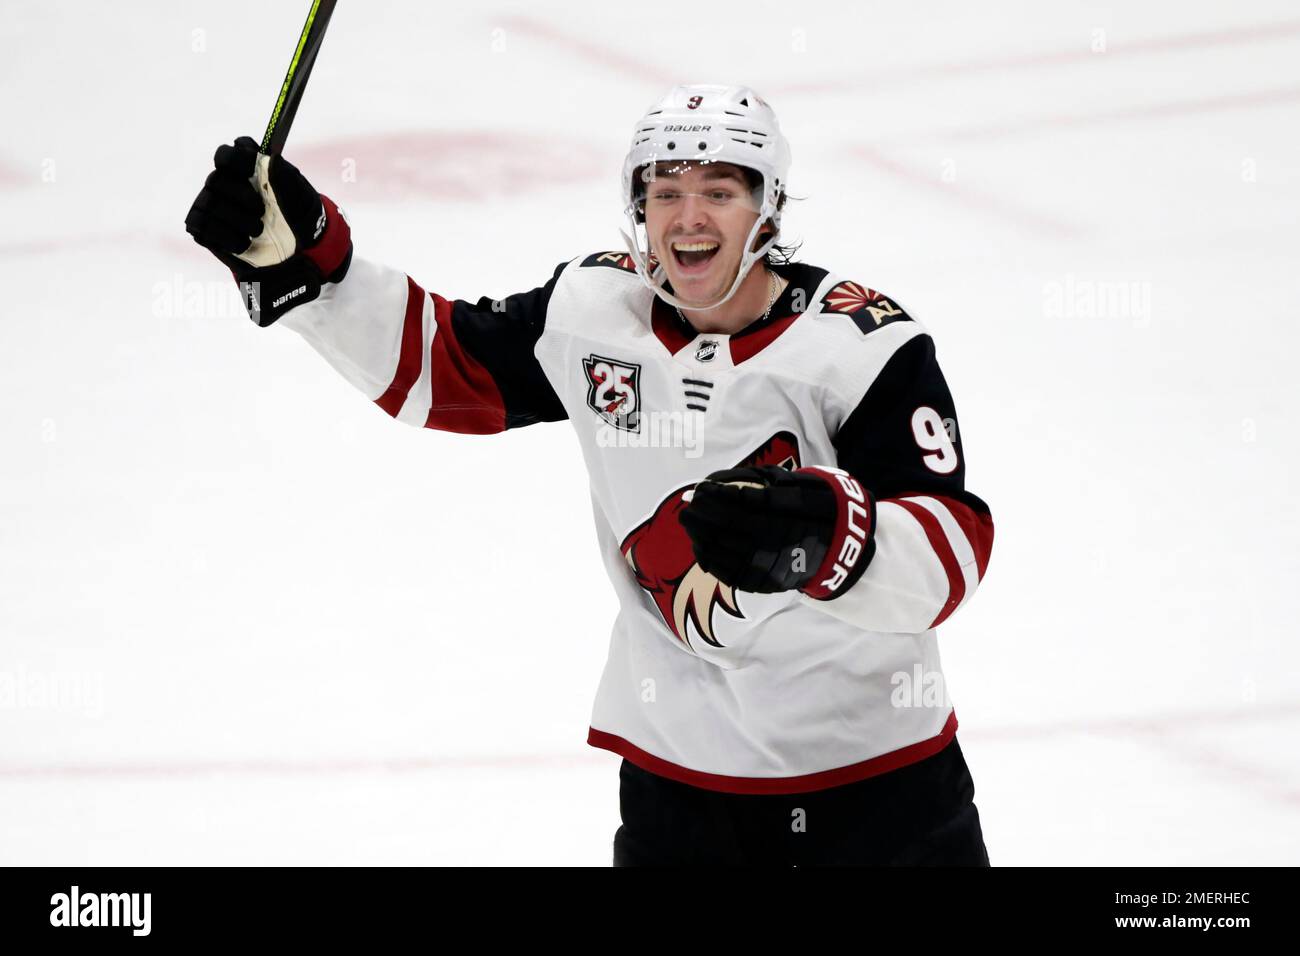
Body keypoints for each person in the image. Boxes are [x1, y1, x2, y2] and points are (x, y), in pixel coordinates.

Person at [185, 84, 996, 866]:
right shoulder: (593, 310)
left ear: (769, 208)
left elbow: (954, 549)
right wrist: (314, 263)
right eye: (664, 190)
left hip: (881, 797)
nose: (688, 218)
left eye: (719, 191)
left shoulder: (861, 347)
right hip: (679, 801)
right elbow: (442, 366)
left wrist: (832, 537)